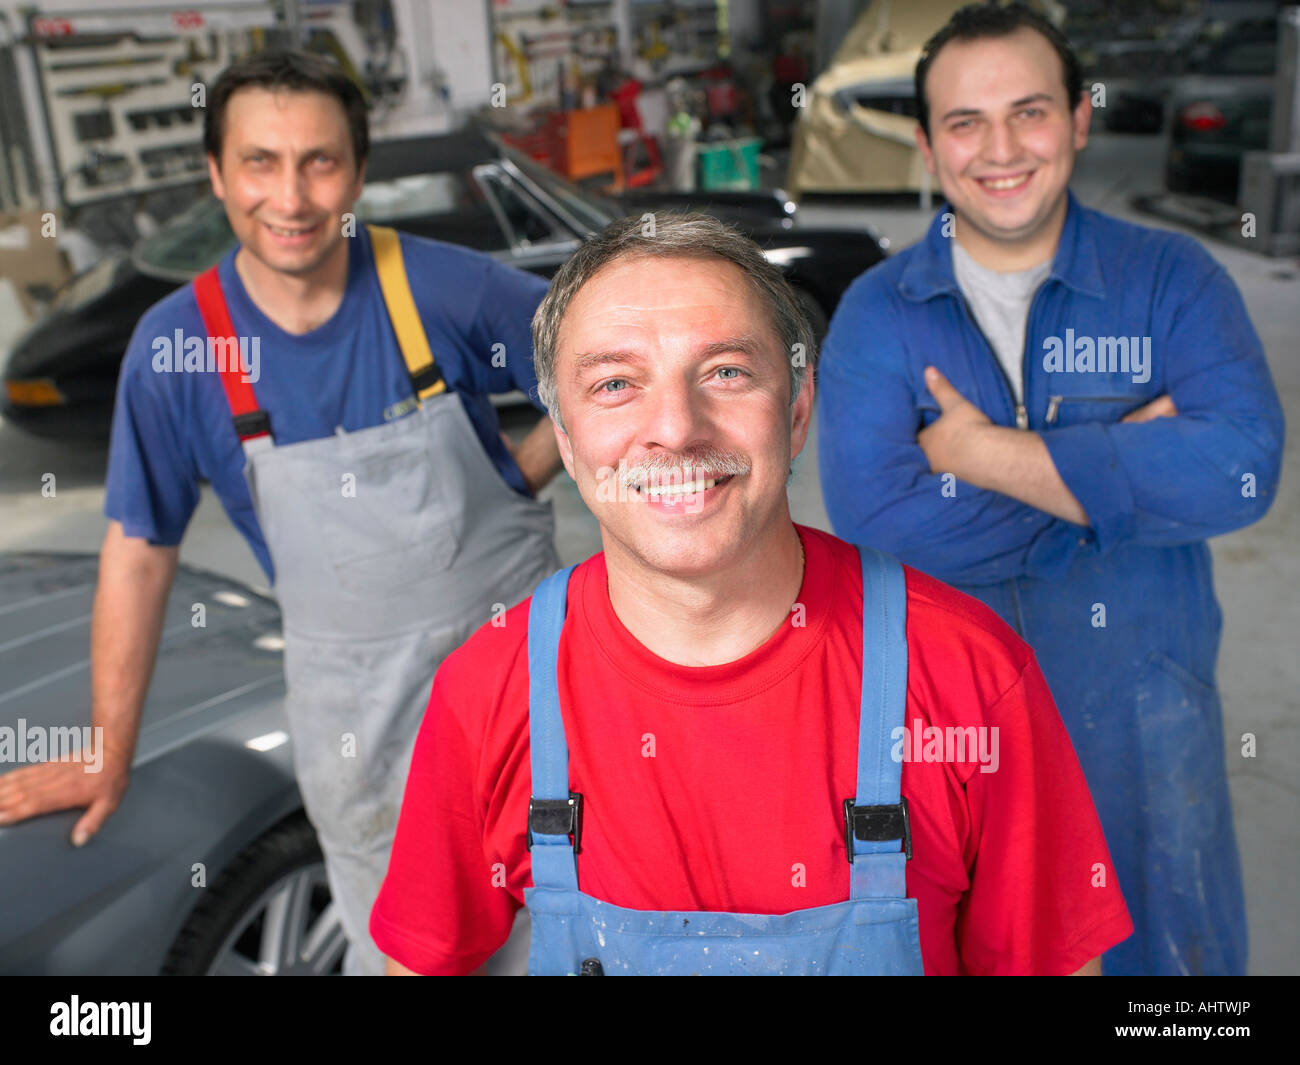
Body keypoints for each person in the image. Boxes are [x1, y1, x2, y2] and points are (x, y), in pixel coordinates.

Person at [370, 212, 1133, 975]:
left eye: (726, 372)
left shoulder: (970, 678)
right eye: (614, 384)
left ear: (797, 412)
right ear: (567, 441)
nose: (674, 427)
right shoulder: (489, 692)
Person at [0, 50, 563, 976]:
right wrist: (107, 749)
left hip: (522, 696)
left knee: (561, 923)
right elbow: (140, 550)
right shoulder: (178, 348)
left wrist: (520, 469)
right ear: (217, 173)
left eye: (320, 161)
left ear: (359, 168)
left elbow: (611, 378)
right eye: (260, 162)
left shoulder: (446, 289)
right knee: (406, 945)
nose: (292, 197)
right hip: (356, 724)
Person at [817, 3, 1285, 975]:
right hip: (945, 706)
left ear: (1078, 119)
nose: (999, 150)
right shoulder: (876, 310)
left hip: (1143, 689)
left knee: (1168, 961)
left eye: (1028, 112)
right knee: (974, 941)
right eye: (964, 121)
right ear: (926, 143)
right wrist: (1115, 476)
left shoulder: (1171, 278)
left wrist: (981, 455)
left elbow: (1239, 473)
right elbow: (879, 519)